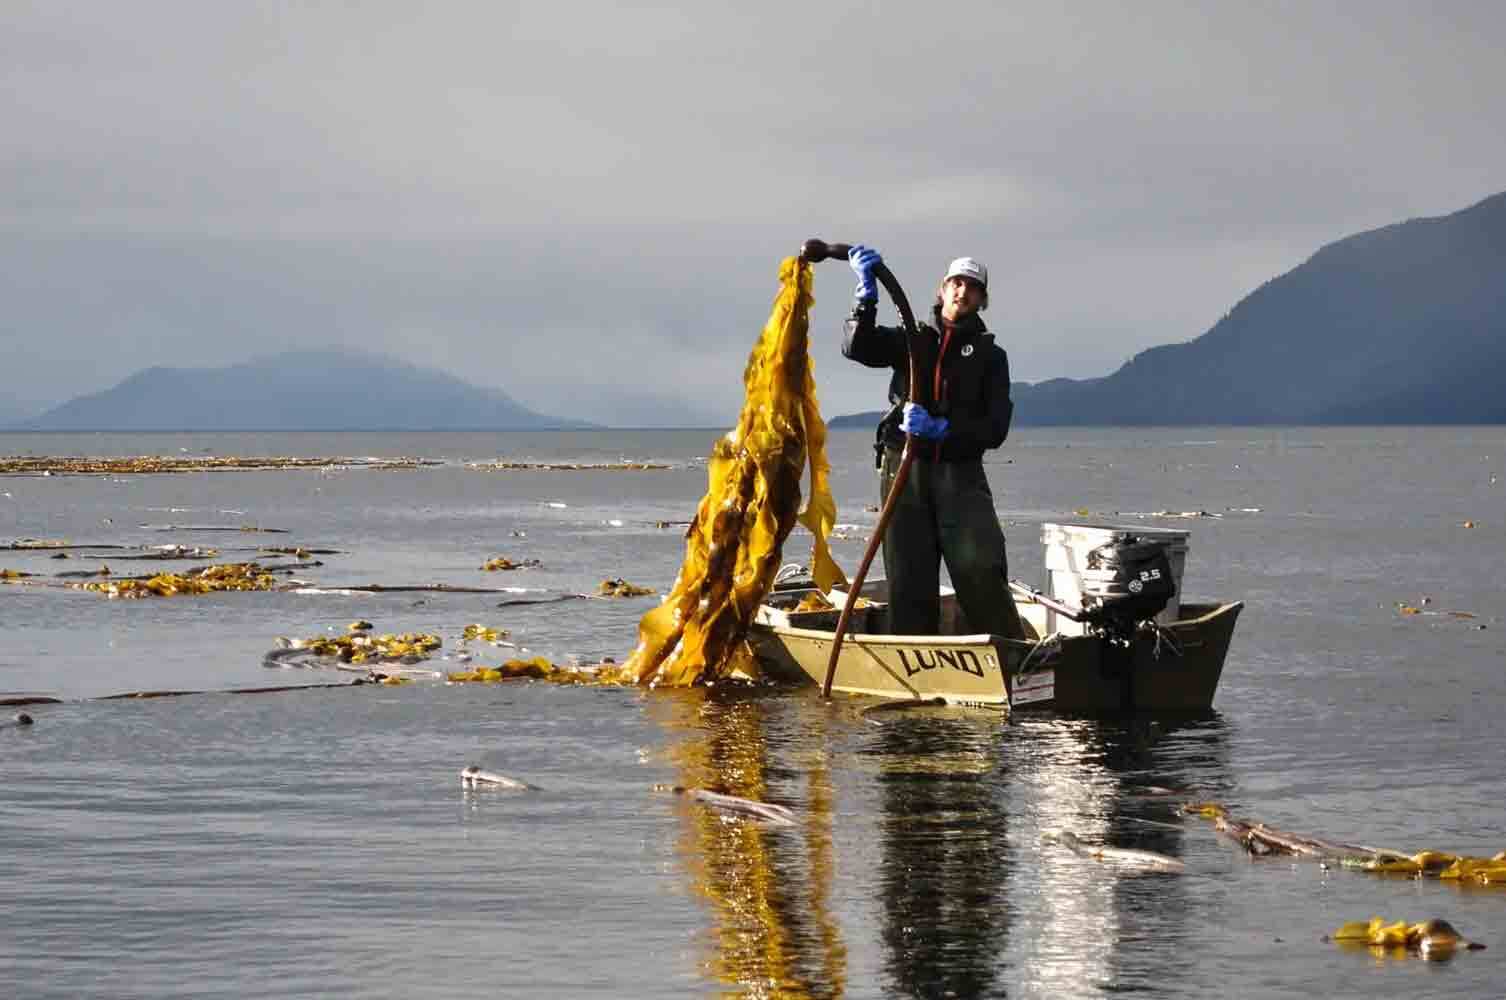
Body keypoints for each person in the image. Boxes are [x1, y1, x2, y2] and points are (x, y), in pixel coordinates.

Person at [841, 246, 1026, 640]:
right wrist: (865, 297)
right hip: (904, 470)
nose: (963, 292)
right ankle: (915, 663)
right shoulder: (912, 338)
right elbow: (858, 347)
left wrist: (944, 428)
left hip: (960, 475)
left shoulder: (992, 357)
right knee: (908, 576)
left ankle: (1012, 655)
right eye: (957, 283)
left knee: (981, 567)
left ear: (982, 300)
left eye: (973, 288)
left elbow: (995, 429)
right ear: (943, 290)